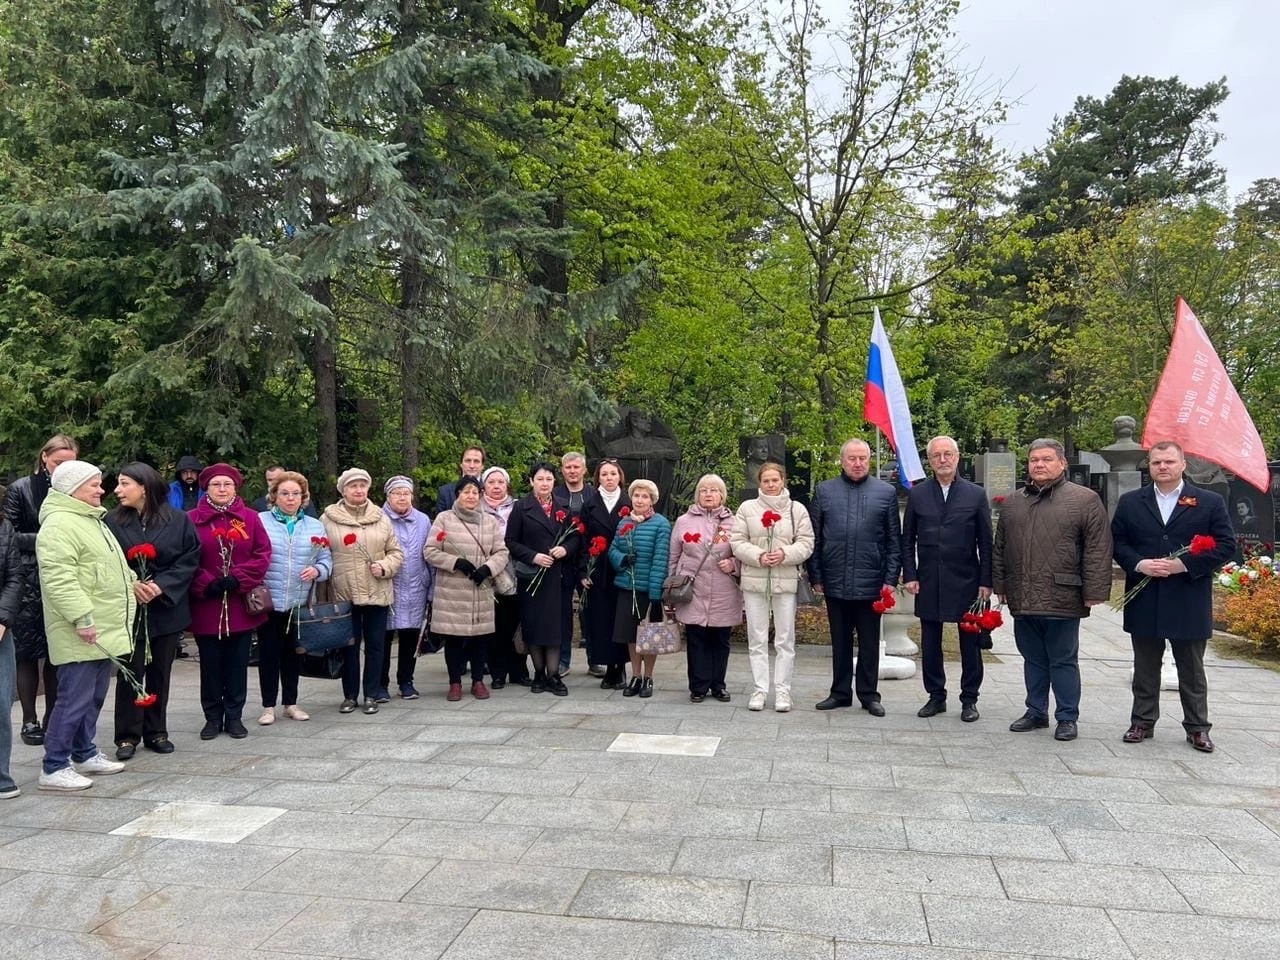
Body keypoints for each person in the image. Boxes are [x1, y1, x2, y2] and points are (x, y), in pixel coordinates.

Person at [1111, 440, 1235, 753]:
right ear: (1148, 466)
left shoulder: (1208, 502)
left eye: (1168, 462)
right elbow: (1117, 542)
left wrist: (1184, 564)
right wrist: (1139, 563)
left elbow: (1225, 545)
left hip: (1187, 598)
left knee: (1191, 669)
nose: (1162, 467)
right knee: (1145, 666)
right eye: (1156, 463)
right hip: (1146, 597)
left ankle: (1197, 727)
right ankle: (1142, 721)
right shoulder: (1130, 502)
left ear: (1183, 465)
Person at [992, 438, 1113, 742]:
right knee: (1032, 658)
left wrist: (1094, 590)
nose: (1039, 465)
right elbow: (1000, 548)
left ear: (1062, 464)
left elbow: (1098, 549)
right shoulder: (1014, 502)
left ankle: (1067, 716)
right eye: (1034, 460)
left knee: (1062, 659)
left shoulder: (1084, 500)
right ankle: (1035, 711)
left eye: (1046, 459)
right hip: (1023, 594)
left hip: (1062, 594)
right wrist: (1001, 585)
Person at [35, 461, 135, 791]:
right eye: (93, 484)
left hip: (99, 626)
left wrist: (134, 583)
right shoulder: (60, 525)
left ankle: (85, 751)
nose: (101, 489)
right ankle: (54, 765)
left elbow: (107, 567)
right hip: (82, 628)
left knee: (92, 697)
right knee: (73, 700)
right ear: (73, 488)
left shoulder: (91, 520)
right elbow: (58, 579)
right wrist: (82, 618)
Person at [106, 463, 201, 759]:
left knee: (160, 672)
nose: (117, 490)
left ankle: (157, 731)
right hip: (131, 609)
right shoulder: (111, 521)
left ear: (144, 486)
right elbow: (108, 561)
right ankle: (126, 736)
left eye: (124, 484)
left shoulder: (178, 520)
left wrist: (161, 585)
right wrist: (133, 583)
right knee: (130, 673)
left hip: (165, 608)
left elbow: (190, 558)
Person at [901, 436, 993, 722]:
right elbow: (908, 540)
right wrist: (911, 574)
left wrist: (986, 581)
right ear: (930, 460)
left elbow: (985, 542)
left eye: (948, 454)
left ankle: (969, 699)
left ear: (957, 456)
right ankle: (936, 696)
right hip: (929, 579)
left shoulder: (974, 494)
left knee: (970, 643)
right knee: (931, 641)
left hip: (966, 579)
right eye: (937, 455)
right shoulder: (918, 495)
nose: (943, 459)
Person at [809, 439, 901, 716]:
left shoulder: (885, 492)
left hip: (871, 582)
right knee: (839, 640)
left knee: (870, 642)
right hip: (834, 579)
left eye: (863, 458)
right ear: (842, 460)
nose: (858, 463)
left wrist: (890, 578)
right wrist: (816, 574)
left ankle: (869, 695)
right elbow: (814, 537)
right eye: (852, 458)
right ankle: (839, 693)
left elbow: (893, 541)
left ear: (870, 460)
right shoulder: (824, 491)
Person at [3, 433, 78, 746]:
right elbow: (9, 535)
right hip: (28, 577)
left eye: (69, 463)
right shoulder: (21, 488)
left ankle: (52, 716)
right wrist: (46, 538)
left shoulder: (76, 487)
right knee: (26, 653)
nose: (62, 468)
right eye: (58, 462)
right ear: (44, 457)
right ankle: (29, 718)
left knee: (56, 653)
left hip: (60, 575)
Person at [188, 463, 273, 741]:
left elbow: (262, 553)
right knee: (210, 665)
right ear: (207, 488)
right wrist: (206, 581)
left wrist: (238, 578)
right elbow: (185, 557)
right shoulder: (191, 519)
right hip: (207, 604)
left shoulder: (249, 517)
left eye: (227, 484)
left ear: (236, 487)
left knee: (238, 664)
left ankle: (234, 716)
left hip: (239, 604)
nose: (222, 489)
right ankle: (212, 717)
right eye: (216, 485)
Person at [732, 462, 814, 711]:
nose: (770, 485)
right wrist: (758, 555)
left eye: (775, 480)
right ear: (760, 483)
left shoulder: (796, 509)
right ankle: (759, 690)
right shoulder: (747, 508)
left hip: (785, 580)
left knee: (785, 638)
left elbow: (806, 542)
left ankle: (783, 691)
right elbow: (737, 540)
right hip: (755, 580)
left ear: (783, 481)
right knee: (756, 638)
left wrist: (784, 553)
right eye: (766, 481)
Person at [322, 468, 404, 715]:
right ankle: (349, 695)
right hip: (343, 593)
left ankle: (372, 693)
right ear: (343, 490)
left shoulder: (381, 517)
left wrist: (385, 566)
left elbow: (396, 552)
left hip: (376, 590)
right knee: (348, 645)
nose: (358, 490)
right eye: (352, 486)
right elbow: (322, 554)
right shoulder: (328, 519)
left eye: (362, 486)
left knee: (376, 646)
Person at [424, 476, 510, 700]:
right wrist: (456, 562)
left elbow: (502, 552)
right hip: (453, 590)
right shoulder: (444, 519)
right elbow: (430, 551)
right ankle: (454, 683)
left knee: (480, 638)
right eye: (466, 492)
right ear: (458, 495)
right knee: (454, 639)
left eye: (475, 492)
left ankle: (478, 681)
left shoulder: (489, 521)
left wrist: (488, 569)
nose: (471, 496)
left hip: (481, 588)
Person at [257, 471, 332, 725]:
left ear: (304, 497)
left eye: (296, 494)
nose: (290, 499)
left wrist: (317, 571)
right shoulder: (261, 521)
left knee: (293, 654)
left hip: (299, 601)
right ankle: (268, 706)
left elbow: (326, 560)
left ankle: (291, 703)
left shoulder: (314, 525)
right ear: (274, 496)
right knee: (268, 654)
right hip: (270, 600)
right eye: (285, 493)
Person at [506, 461, 580, 695]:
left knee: (555, 628)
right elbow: (510, 541)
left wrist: (565, 549)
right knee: (534, 626)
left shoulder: (564, 508)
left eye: (548, 479)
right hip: (532, 577)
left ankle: (554, 675)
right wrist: (533, 556)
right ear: (531, 481)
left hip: (557, 578)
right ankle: (538, 673)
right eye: (540, 479)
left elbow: (575, 537)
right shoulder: (521, 508)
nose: (545, 483)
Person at [670, 474, 741, 703]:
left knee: (721, 638)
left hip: (724, 588)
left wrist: (734, 565)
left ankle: (718, 684)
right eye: (703, 490)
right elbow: (674, 556)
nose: (708, 494)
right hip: (693, 587)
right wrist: (671, 585)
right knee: (696, 636)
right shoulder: (684, 521)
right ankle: (698, 686)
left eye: (713, 490)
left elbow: (745, 553)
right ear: (697, 494)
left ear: (722, 494)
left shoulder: (735, 522)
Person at [608, 478, 671, 698]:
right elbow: (612, 549)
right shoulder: (624, 522)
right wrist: (624, 559)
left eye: (645, 496)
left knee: (649, 636)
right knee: (631, 635)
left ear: (652, 500)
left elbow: (660, 559)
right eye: (636, 495)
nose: (640, 500)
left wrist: (655, 595)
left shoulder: (661, 524)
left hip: (648, 590)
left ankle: (649, 677)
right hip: (628, 587)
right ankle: (635, 675)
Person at [579, 459, 630, 689]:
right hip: (598, 570)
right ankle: (608, 666)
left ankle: (620, 668)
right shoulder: (589, 504)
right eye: (604, 474)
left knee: (622, 621)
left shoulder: (630, 502)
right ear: (597, 478)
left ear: (620, 477)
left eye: (613, 474)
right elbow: (580, 540)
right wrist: (583, 571)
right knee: (601, 621)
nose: (609, 478)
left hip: (623, 569)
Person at [381, 476, 433, 700]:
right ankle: (380, 684)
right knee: (382, 637)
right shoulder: (378, 518)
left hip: (416, 586)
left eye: (406, 493)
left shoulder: (423, 520)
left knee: (411, 636)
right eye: (396, 493)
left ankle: (406, 681)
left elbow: (429, 554)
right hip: (388, 586)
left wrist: (431, 586)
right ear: (388, 496)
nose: (402, 497)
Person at [481, 467, 526, 687]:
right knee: (495, 625)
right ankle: (498, 671)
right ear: (484, 485)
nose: (496, 486)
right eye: (491, 482)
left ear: (507, 485)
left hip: (516, 572)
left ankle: (518, 670)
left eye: (501, 482)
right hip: (487, 574)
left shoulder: (519, 507)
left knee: (517, 623)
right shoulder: (475, 507)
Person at [554, 451, 595, 676]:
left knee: (590, 611)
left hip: (588, 559)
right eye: (568, 467)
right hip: (562, 561)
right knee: (562, 612)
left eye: (576, 467)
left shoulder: (593, 494)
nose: (572, 471)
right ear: (562, 470)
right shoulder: (555, 494)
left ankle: (595, 658)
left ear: (584, 470)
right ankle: (562, 659)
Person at [0, 514, 24, 798]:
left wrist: (3, 619)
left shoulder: (4, 526)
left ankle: (1, 773)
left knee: (1, 703)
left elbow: (15, 577)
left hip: (1, 631)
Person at [436, 446, 485, 512]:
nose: (472, 466)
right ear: (461, 464)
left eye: (476, 461)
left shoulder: (489, 491)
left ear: (482, 466)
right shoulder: (445, 492)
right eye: (468, 461)